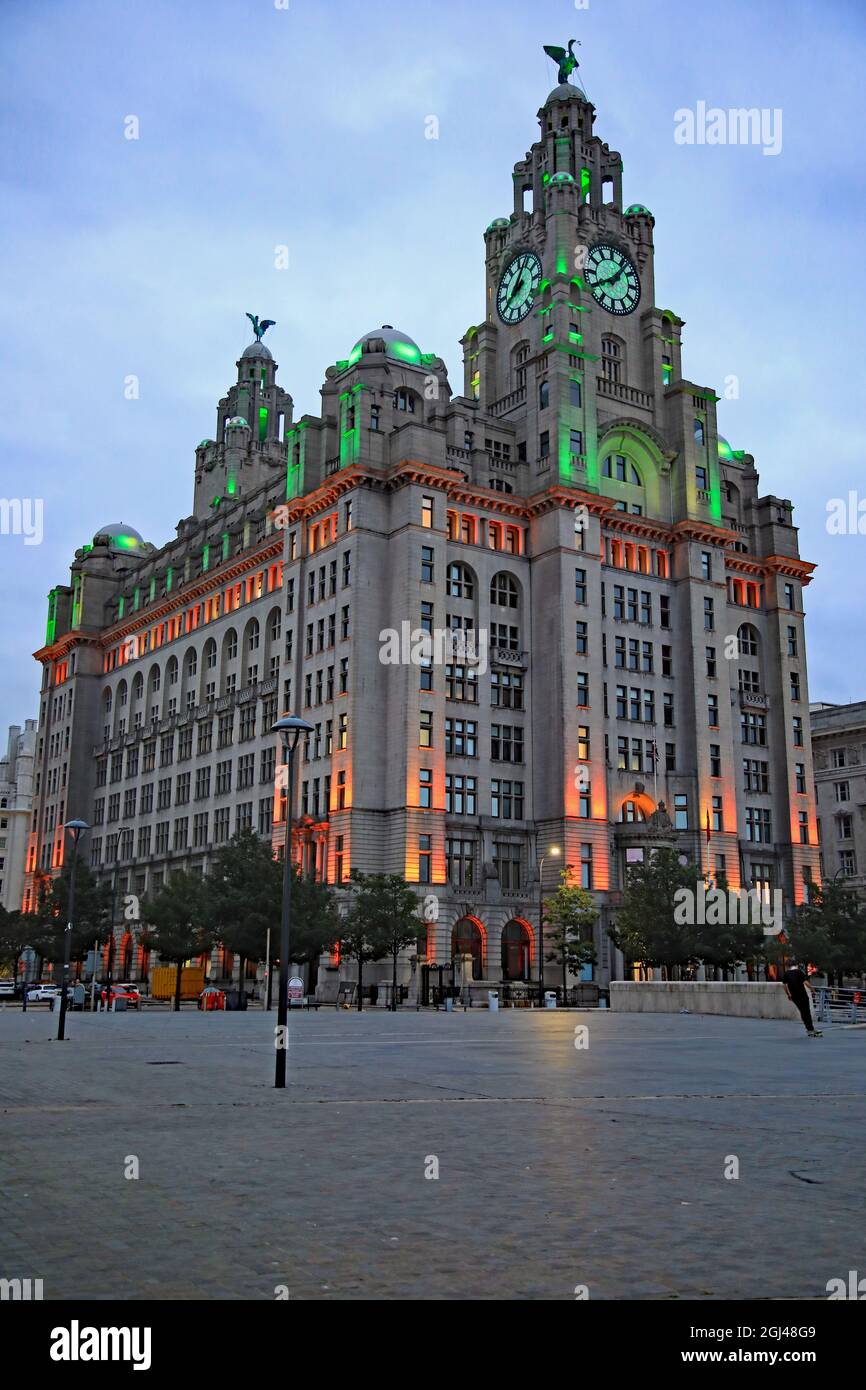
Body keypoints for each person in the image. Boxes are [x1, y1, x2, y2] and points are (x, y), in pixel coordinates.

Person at [782, 961, 822, 1037]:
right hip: (802, 994)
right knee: (806, 1011)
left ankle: (809, 1029)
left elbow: (784, 986)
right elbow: (806, 983)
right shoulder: (799, 972)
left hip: (794, 996)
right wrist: (812, 990)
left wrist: (789, 994)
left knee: (802, 1011)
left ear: (788, 966)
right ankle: (810, 1029)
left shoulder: (786, 974)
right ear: (796, 965)